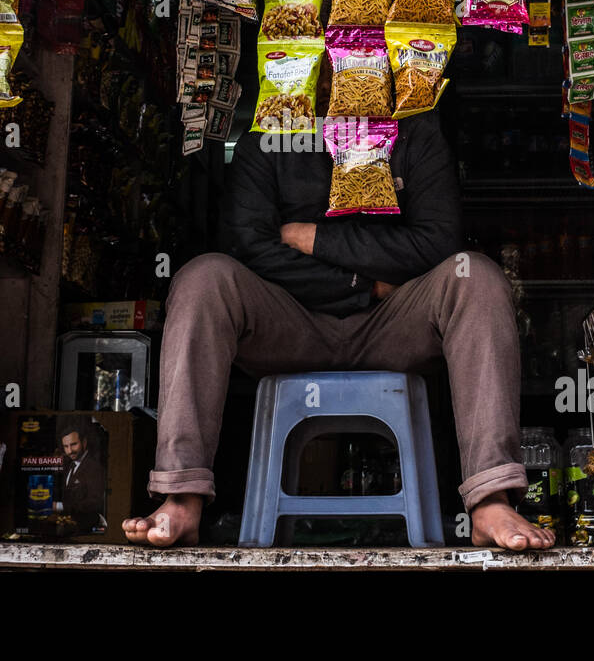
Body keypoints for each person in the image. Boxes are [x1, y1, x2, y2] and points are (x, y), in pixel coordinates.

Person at [123, 111, 553, 551]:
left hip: (395, 324)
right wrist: (365, 285)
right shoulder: (272, 127)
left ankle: (490, 498)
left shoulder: (415, 126)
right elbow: (249, 247)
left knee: (474, 276)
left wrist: (312, 238)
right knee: (203, 278)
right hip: (289, 323)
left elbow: (437, 245)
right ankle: (182, 495)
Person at [55, 426, 106, 533]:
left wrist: (61, 506)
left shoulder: (94, 467)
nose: (70, 451)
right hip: (70, 527)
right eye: (66, 446)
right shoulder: (70, 465)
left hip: (87, 529)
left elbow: (95, 503)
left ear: (84, 442)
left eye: (73, 444)